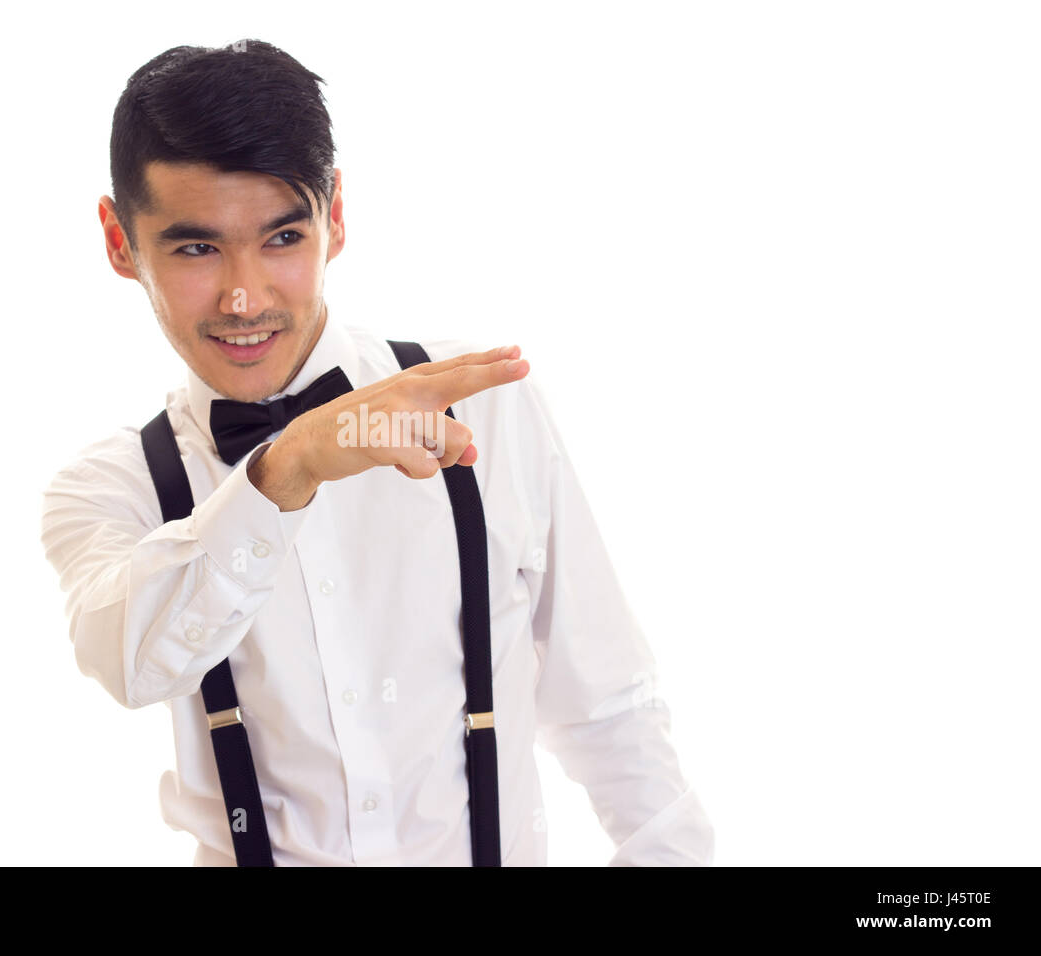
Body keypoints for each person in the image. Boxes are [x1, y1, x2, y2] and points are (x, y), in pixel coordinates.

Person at [39, 39, 715, 866]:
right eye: (196, 248)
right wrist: (287, 470)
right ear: (119, 241)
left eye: (282, 237)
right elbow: (130, 660)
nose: (243, 295)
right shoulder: (107, 487)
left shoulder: (484, 406)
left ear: (337, 217)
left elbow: (609, 708)